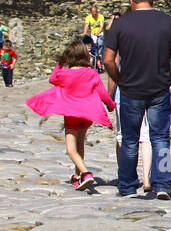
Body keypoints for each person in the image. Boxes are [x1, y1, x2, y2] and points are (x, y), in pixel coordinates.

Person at [103, 0, 171, 200]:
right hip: (158, 89)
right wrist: (170, 77)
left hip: (131, 89)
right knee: (160, 138)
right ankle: (163, 185)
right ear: (152, 0)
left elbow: (107, 60)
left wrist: (119, 79)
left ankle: (128, 186)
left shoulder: (121, 24)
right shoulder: (168, 21)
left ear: (131, 1)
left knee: (130, 140)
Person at [25, 39, 114, 191]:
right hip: (87, 115)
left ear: (69, 57)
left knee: (70, 149)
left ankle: (85, 174)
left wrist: (60, 63)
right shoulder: (92, 73)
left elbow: (52, 79)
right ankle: (77, 176)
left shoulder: (65, 73)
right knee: (80, 144)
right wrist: (110, 106)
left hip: (72, 114)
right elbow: (102, 93)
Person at [84, 3, 107, 70]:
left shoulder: (100, 16)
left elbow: (101, 25)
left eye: (95, 12)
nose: (94, 13)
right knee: (93, 48)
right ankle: (94, 62)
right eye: (93, 12)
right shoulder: (88, 17)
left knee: (100, 47)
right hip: (93, 34)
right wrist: (85, 32)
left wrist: (98, 32)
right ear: (91, 12)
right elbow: (86, 25)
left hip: (100, 34)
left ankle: (100, 62)